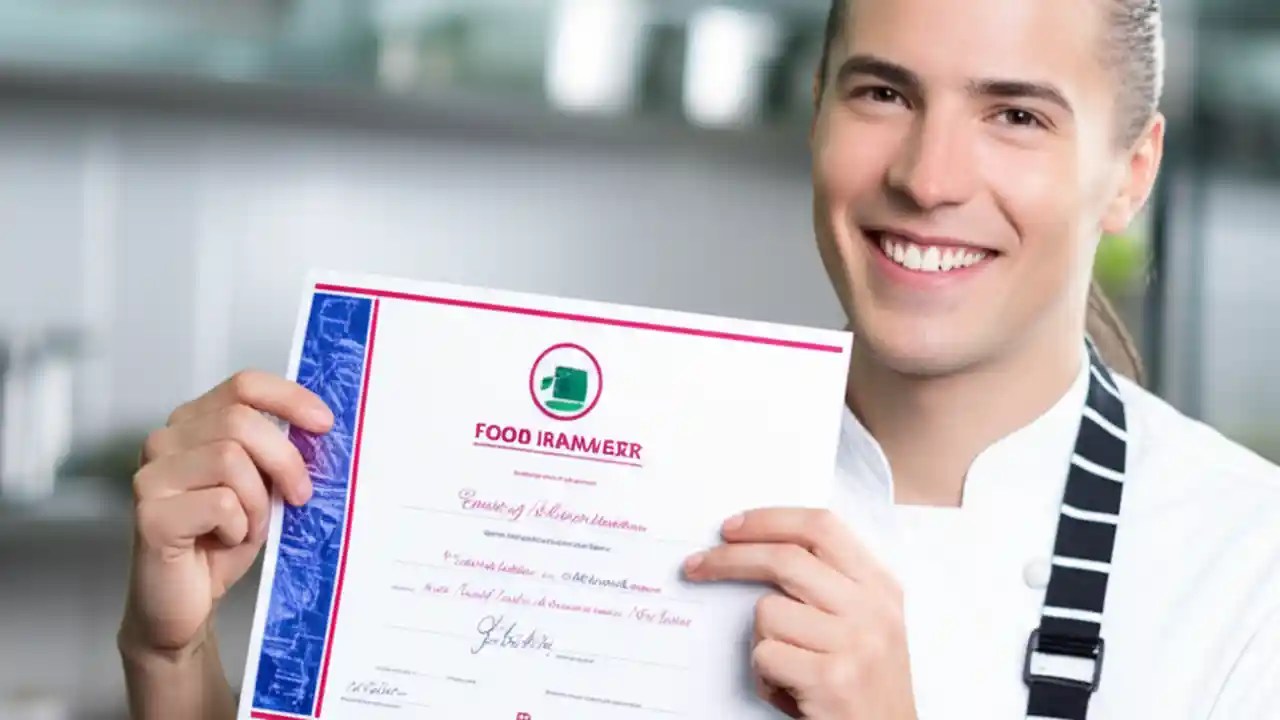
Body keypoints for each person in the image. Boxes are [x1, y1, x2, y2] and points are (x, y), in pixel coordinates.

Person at [119, 0, 1280, 717]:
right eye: (882, 91)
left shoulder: (1244, 568)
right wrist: (172, 661)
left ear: (1130, 172)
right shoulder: (627, 474)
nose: (928, 177)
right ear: (818, 111)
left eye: (1014, 115)